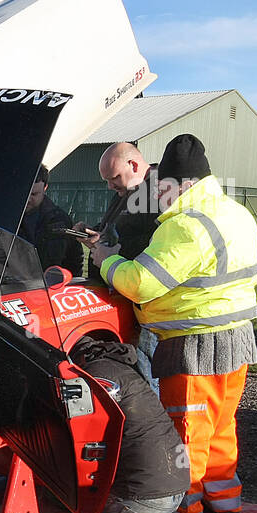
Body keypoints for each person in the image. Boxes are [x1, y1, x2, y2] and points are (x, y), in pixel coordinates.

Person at [80, 134, 257, 513]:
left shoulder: (185, 225)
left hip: (194, 343)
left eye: (163, 187)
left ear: (182, 185)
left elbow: (142, 281)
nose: (158, 195)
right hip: (237, 338)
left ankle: (185, 510)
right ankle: (226, 499)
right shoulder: (236, 213)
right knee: (221, 426)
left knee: (187, 429)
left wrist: (106, 260)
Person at [61, 336, 240, 513]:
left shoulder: (92, 379)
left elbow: (81, 438)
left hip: (146, 490)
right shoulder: (127, 372)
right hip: (176, 479)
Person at [88, 142, 160, 388]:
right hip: (122, 289)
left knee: (147, 372)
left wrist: (112, 250)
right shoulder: (129, 191)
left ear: (134, 165)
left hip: (144, 298)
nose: (110, 185)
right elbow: (117, 228)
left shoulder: (159, 192)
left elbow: (157, 244)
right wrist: (96, 234)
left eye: (114, 177)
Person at [19, 165, 83, 275]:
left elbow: (74, 259)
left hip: (51, 288)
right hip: (12, 288)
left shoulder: (60, 220)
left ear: (45, 188)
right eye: (25, 193)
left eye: (34, 194)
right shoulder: (7, 219)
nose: (28, 199)